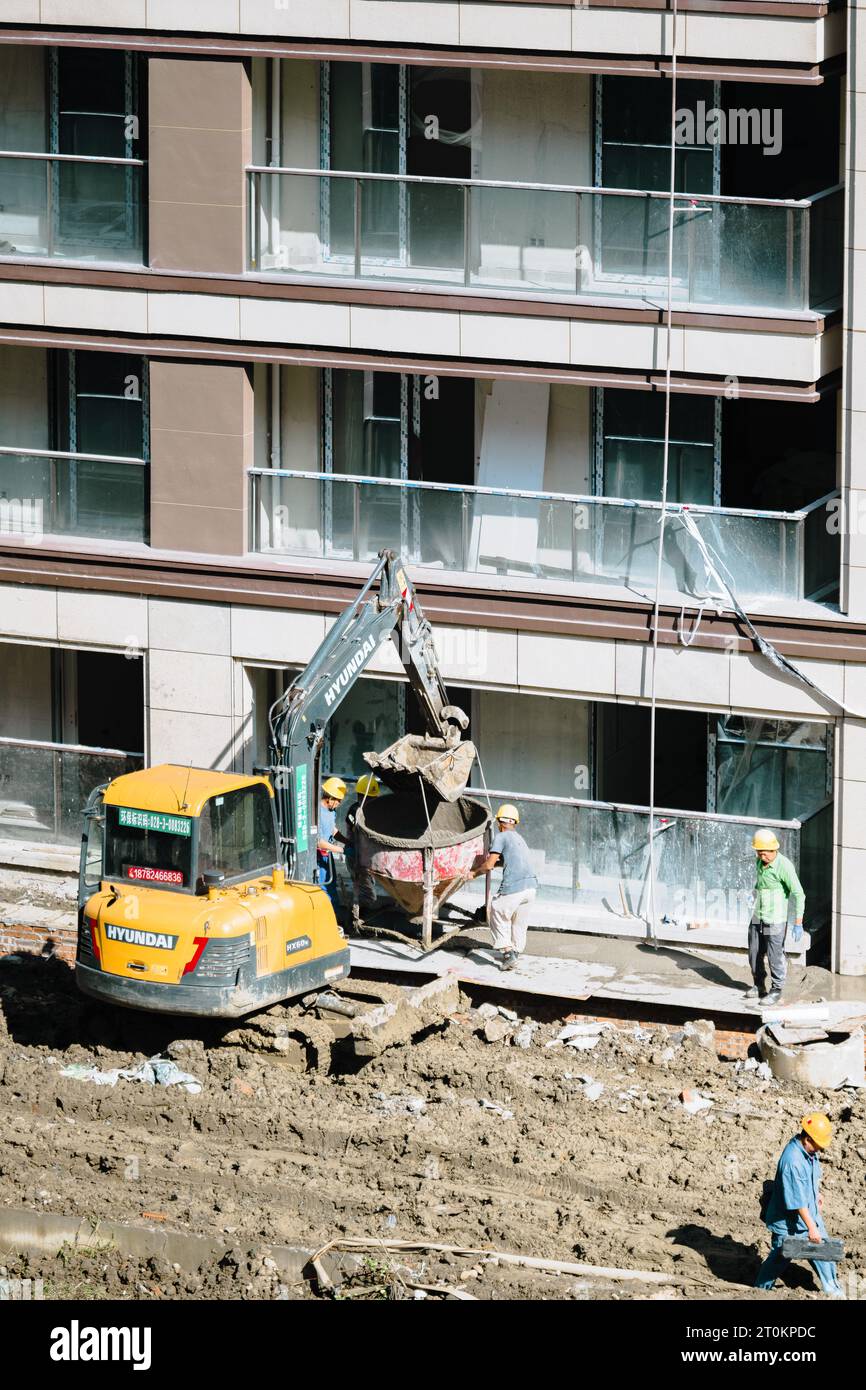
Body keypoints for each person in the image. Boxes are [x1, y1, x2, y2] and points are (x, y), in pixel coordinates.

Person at [755, 1113, 844, 1297]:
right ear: (808, 1138)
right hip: (789, 1222)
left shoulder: (808, 1151)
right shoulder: (793, 1161)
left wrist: (816, 1193)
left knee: (825, 1253)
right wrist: (812, 1227)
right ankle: (759, 1292)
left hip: (808, 1215)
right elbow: (796, 1201)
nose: (821, 1148)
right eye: (819, 1143)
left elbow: (808, 1178)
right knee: (780, 1257)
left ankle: (834, 1291)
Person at [469, 804, 537, 971]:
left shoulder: (501, 837)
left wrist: (474, 873)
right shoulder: (519, 838)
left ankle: (507, 954)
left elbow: (489, 865)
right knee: (518, 923)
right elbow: (504, 861)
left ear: (500, 822)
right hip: (531, 888)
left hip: (516, 887)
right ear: (514, 822)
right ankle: (515, 951)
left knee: (496, 910)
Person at [746, 828, 805, 1007]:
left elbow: (799, 894)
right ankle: (759, 985)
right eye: (759, 853)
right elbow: (761, 881)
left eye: (764, 854)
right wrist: (754, 892)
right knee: (754, 953)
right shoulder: (759, 861)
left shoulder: (784, 866)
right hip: (759, 915)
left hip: (775, 918)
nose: (762, 857)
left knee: (774, 955)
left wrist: (798, 922)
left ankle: (776, 990)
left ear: (773, 850)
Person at [344, 773, 379, 919]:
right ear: (361, 796)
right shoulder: (355, 811)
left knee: (362, 890)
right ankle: (361, 921)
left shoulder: (371, 810)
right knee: (368, 894)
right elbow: (355, 835)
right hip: (356, 857)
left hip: (365, 858)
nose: (372, 800)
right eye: (370, 798)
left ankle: (359, 918)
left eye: (374, 798)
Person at [316, 776, 347, 913]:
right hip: (318, 857)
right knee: (324, 889)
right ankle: (329, 917)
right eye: (338, 800)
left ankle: (336, 917)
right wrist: (342, 850)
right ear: (330, 798)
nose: (339, 803)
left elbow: (332, 829)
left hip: (327, 856)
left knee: (332, 886)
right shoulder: (316, 813)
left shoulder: (331, 811)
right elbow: (319, 842)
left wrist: (347, 841)